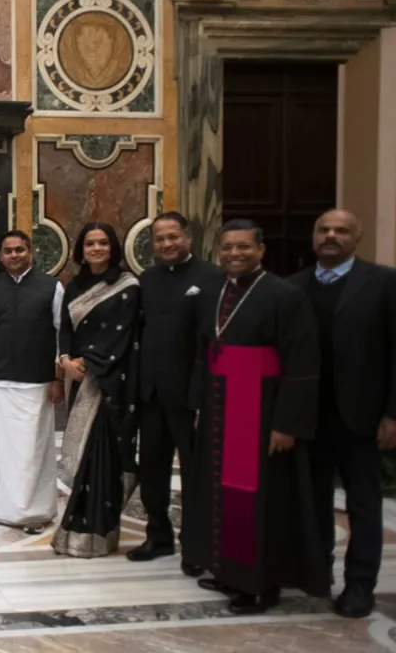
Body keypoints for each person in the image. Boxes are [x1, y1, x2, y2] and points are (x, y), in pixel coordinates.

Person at [186, 219, 329, 615]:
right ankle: (227, 570)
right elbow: (204, 351)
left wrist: (286, 423)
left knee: (256, 499)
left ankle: (260, 584)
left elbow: (302, 364)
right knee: (218, 490)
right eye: (228, 247)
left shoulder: (285, 295)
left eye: (244, 247)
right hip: (220, 403)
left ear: (261, 250)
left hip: (259, 407)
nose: (235, 254)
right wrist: (200, 404)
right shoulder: (214, 291)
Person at [291, 209, 396, 618]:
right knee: (312, 504)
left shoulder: (385, 283)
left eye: (341, 230)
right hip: (309, 419)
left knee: (363, 507)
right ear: (314, 236)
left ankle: (359, 586)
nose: (331, 236)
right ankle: (318, 575)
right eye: (324, 229)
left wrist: (393, 414)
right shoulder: (292, 286)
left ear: (358, 237)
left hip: (362, 418)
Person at [128, 212, 222, 573]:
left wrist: (202, 398)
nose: (167, 244)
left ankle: (197, 544)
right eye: (160, 239)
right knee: (152, 469)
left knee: (197, 474)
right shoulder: (148, 279)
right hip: (152, 393)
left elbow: (210, 343)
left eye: (173, 237)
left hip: (190, 397)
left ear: (188, 237)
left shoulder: (211, 278)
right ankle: (158, 536)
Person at [53, 222, 140, 558]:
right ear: (82, 249)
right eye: (90, 243)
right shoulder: (73, 286)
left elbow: (125, 335)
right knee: (82, 461)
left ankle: (99, 532)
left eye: (103, 243)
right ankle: (77, 531)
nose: (97, 248)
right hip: (80, 381)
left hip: (110, 384)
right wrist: (65, 360)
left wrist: (88, 362)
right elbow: (65, 331)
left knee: (103, 457)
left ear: (113, 247)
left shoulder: (128, 286)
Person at [0, 231, 63, 534]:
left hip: (38, 381)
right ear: (0, 257)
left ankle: (34, 511)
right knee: (6, 449)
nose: (14, 255)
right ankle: (0, 505)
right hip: (1, 380)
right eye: (8, 251)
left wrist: (57, 379)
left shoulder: (52, 287)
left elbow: (60, 336)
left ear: (31, 252)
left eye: (20, 250)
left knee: (33, 450)